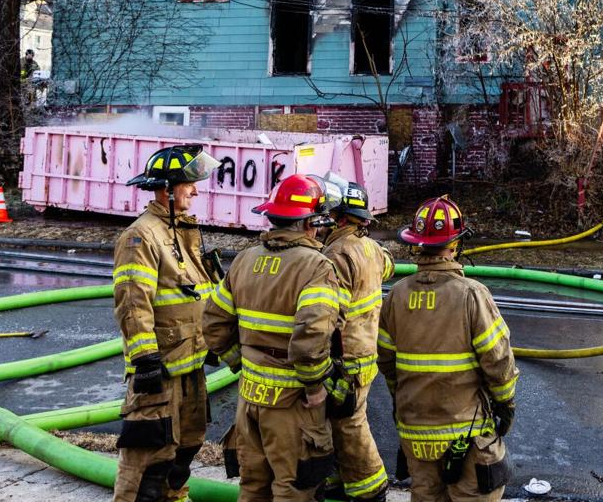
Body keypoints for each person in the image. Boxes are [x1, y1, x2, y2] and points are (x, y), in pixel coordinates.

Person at [203, 174, 343, 502]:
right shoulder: (316, 267)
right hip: (293, 405)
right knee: (294, 490)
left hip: (250, 401)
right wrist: (314, 388)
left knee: (253, 488)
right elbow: (310, 340)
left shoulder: (245, 260)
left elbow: (212, 323)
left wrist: (243, 363)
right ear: (311, 223)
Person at [377, 196, 518, 502]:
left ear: (417, 244)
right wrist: (505, 404)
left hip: (416, 434)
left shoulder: (396, 295)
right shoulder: (471, 294)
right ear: (455, 245)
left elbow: (386, 361)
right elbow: (498, 358)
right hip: (465, 434)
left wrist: (402, 400)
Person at [113, 144, 221, 502]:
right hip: (159, 372)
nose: (195, 190)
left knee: (183, 453)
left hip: (188, 367)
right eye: (188, 183)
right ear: (166, 189)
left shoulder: (179, 231)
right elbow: (132, 301)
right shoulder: (141, 236)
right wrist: (145, 360)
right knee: (148, 463)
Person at [318, 176, 394, 502]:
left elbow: (332, 317)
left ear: (340, 216)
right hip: (365, 353)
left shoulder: (337, 253)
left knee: (348, 424)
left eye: (330, 214)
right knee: (337, 423)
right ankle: (337, 480)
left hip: (345, 358)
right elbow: (388, 265)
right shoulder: (370, 248)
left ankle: (371, 488)